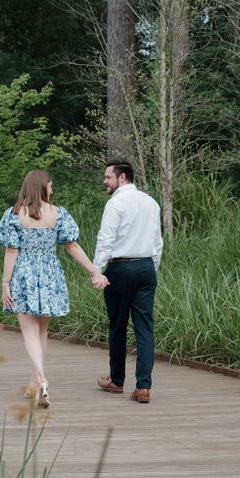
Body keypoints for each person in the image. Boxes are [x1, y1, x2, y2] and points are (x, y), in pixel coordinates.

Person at [0, 170, 102, 408]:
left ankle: (41, 380)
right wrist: (93, 270)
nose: (53, 190)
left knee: (29, 332)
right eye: (51, 186)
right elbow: (72, 245)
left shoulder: (14, 215)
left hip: (24, 274)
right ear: (42, 187)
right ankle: (36, 382)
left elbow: (12, 251)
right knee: (42, 332)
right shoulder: (59, 214)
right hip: (50, 274)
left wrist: (5, 284)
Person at [92, 160, 163, 403]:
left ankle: (117, 381)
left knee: (118, 325)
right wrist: (150, 269)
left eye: (108, 177)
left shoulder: (116, 203)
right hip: (145, 268)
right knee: (145, 328)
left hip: (120, 268)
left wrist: (97, 270)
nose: (105, 182)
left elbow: (106, 239)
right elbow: (157, 242)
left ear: (122, 178)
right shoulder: (151, 203)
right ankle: (143, 387)